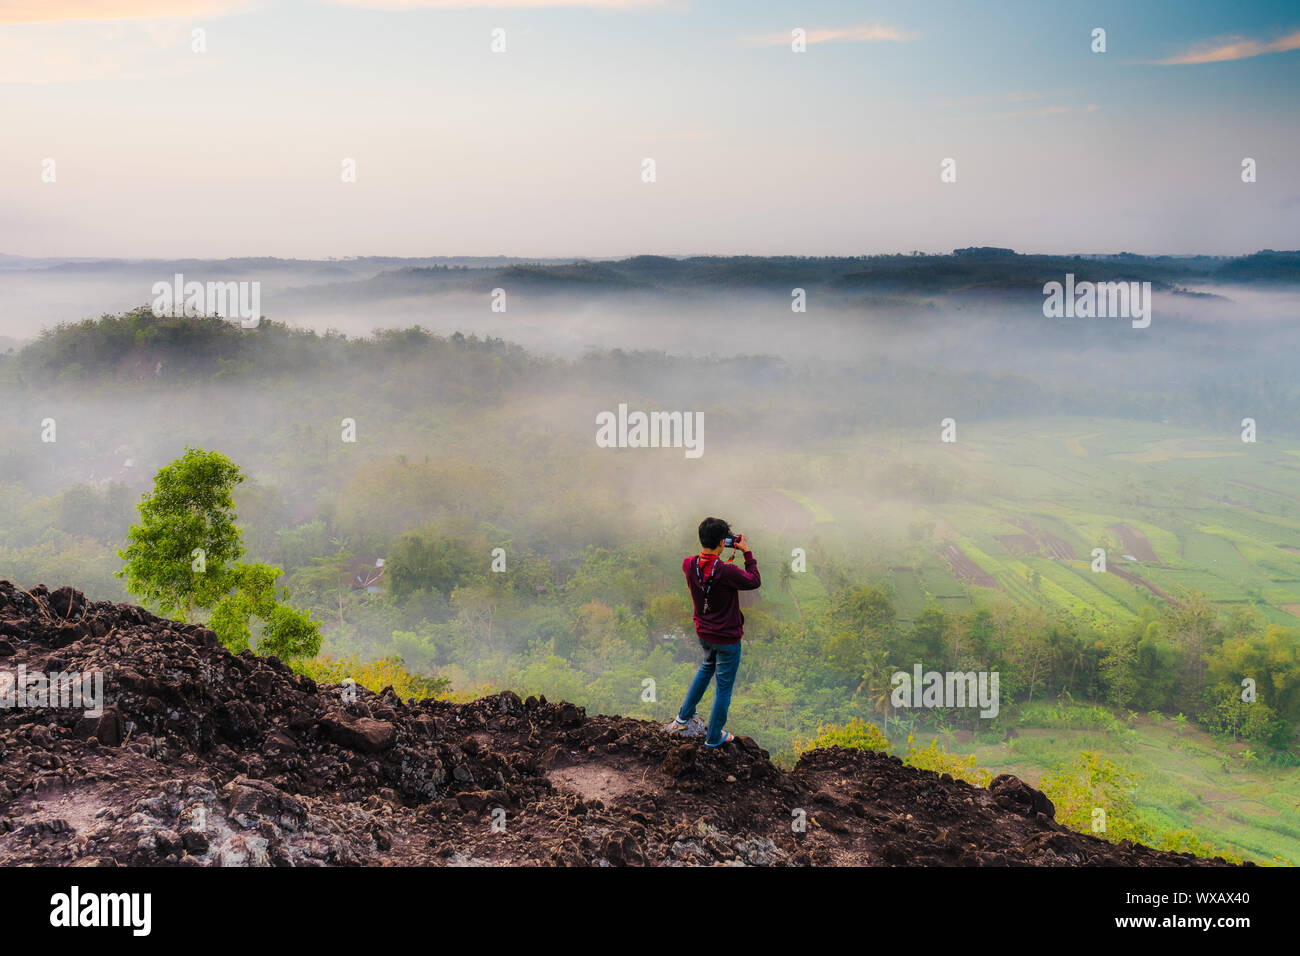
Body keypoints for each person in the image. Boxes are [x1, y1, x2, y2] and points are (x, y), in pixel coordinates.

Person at [667, 516, 760, 747]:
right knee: (724, 687)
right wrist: (746, 552)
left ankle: (682, 717)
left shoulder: (688, 564)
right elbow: (754, 581)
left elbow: (704, 567)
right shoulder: (726, 571)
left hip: (704, 635)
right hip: (727, 639)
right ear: (722, 542)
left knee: (706, 668)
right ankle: (713, 737)